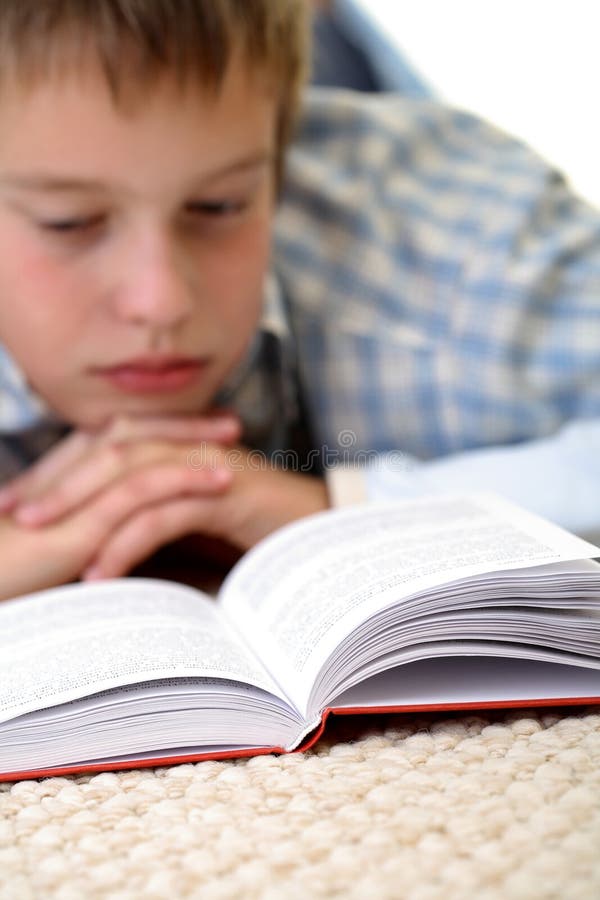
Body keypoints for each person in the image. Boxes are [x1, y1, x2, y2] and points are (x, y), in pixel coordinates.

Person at [0, 0, 599, 602]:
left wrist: (343, 514)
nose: (161, 302)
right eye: (68, 222)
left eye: (220, 206)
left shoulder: (464, 245)